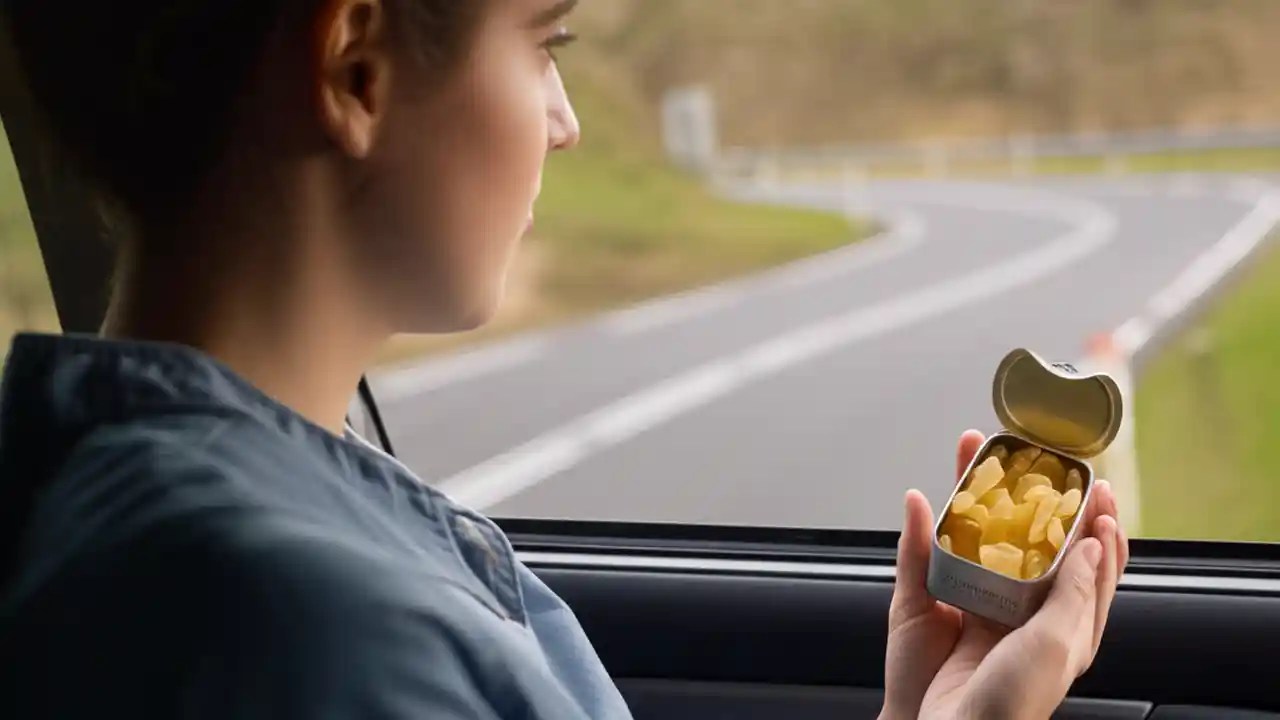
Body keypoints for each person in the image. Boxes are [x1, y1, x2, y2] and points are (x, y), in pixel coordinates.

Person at [0, 0, 1128, 717]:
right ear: (355, 70)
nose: (566, 119)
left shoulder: (173, 519)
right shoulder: (321, 633)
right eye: (544, 43)